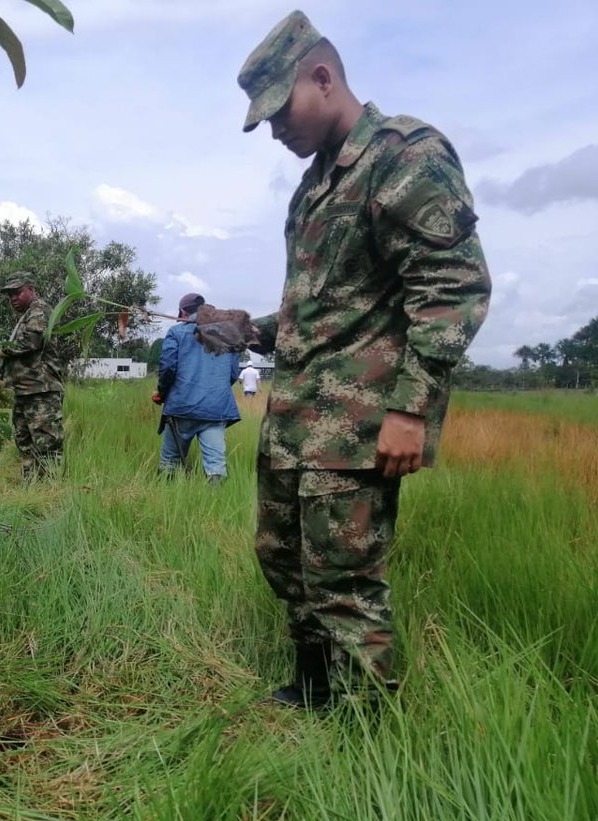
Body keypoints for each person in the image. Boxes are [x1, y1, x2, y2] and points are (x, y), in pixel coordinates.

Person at [237, 10, 490, 708]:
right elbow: (324, 308)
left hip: (358, 425)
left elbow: (452, 289)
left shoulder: (404, 156)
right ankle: (315, 688)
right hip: (296, 421)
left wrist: (411, 410)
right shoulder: (314, 185)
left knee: (344, 578)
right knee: (284, 558)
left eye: (280, 111)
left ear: (322, 77)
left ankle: (365, 727)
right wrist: (247, 330)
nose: (277, 130)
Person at [152, 293, 241, 483]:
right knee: (216, 466)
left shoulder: (176, 333)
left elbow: (168, 369)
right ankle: (215, 504)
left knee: (169, 462)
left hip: (181, 407)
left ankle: (166, 499)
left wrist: (162, 393)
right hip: (215, 409)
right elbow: (233, 374)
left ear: (183, 312)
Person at [0, 271, 66, 480]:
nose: (13, 298)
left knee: (47, 445)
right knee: (25, 443)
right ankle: (31, 488)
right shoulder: (25, 315)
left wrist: (4, 349)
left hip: (42, 390)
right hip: (23, 391)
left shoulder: (40, 309)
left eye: (17, 292)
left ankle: (50, 493)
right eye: (9, 295)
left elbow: (32, 341)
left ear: (30, 289)